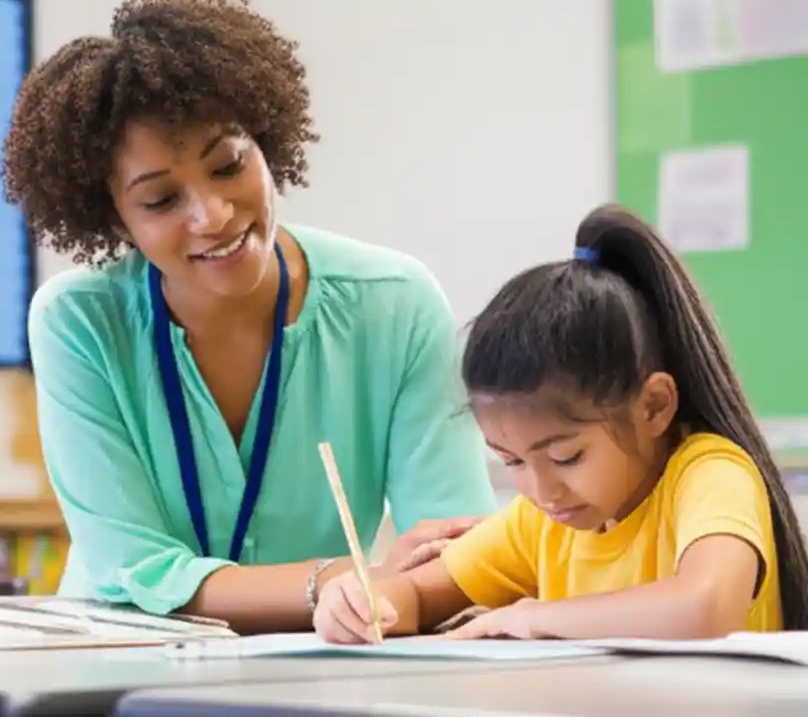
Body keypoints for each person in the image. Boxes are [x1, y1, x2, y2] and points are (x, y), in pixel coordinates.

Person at [0, 0, 497, 633]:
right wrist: (340, 581)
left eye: (229, 166)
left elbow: (456, 552)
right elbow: (133, 570)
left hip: (329, 662)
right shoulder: (79, 324)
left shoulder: (395, 304)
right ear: (114, 218)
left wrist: (396, 587)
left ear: (264, 141)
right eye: (161, 200)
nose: (211, 215)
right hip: (121, 664)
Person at [313, 204, 808, 642]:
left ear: (654, 407)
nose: (541, 490)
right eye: (511, 462)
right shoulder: (544, 519)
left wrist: (537, 618)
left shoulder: (709, 474)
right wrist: (358, 603)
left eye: (566, 457)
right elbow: (415, 596)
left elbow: (705, 608)